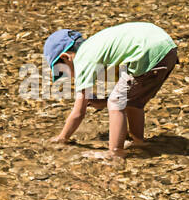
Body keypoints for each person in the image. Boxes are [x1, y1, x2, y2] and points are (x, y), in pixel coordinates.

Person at [43, 22, 179, 160]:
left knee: (115, 102)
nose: (69, 77)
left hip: (147, 52)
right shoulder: (96, 46)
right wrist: (103, 101)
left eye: (63, 72)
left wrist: (62, 138)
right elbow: (128, 90)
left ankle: (115, 153)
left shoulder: (82, 59)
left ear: (66, 57)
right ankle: (138, 142)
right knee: (133, 101)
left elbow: (78, 113)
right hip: (166, 47)